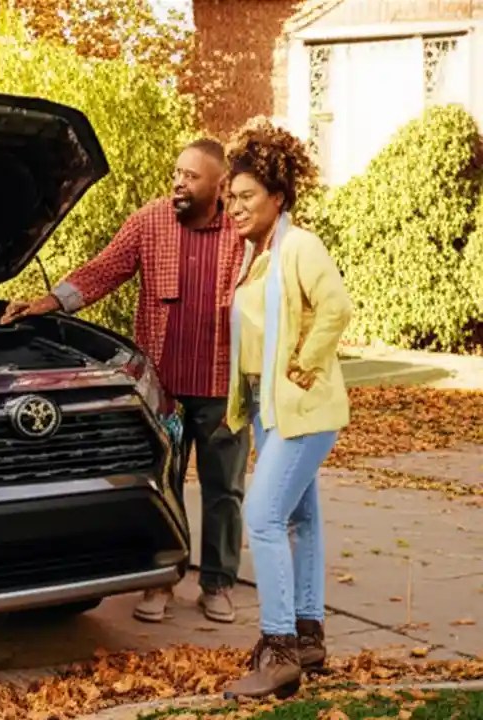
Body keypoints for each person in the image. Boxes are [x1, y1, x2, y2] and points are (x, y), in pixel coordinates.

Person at [0, 139, 251, 625]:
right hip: (162, 391)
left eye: (191, 176)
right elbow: (103, 269)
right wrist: (49, 302)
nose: (179, 182)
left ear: (219, 185)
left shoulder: (241, 228)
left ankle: (218, 584)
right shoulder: (150, 221)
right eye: (177, 172)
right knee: (162, 483)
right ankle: (159, 581)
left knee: (224, 489)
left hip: (222, 385)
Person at [219, 117, 352, 701]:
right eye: (231, 198)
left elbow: (336, 307)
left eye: (247, 196)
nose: (236, 207)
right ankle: (308, 635)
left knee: (262, 517)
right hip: (270, 410)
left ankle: (278, 653)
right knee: (302, 520)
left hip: (302, 409)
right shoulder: (261, 255)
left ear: (278, 196)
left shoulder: (300, 246)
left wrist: (304, 362)